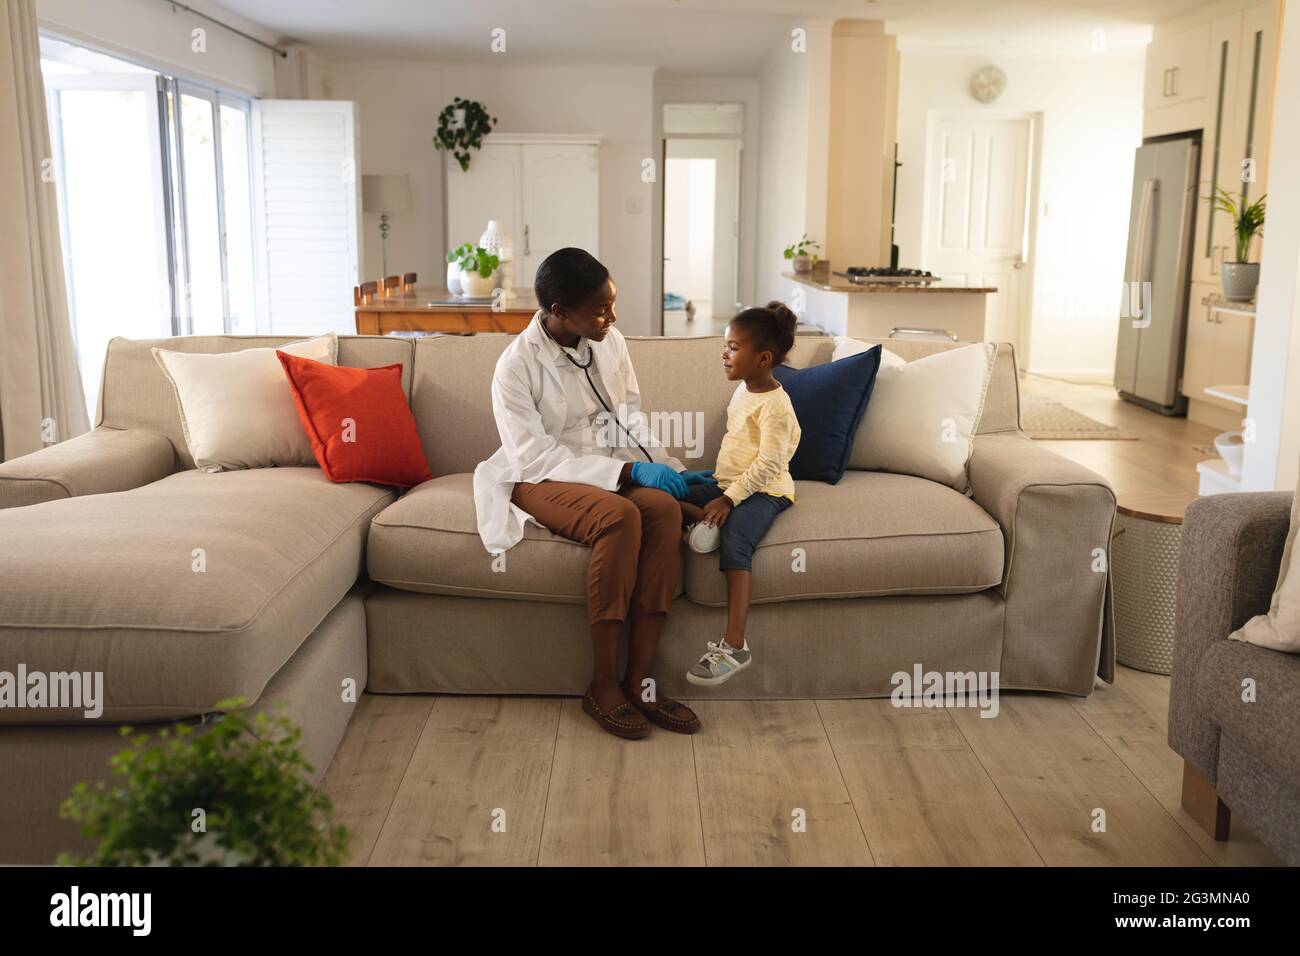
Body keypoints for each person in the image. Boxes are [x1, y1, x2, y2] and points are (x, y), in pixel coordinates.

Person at [473, 248, 714, 738]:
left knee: (666, 510)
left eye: (612, 304)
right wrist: (627, 474)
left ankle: (641, 682)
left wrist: (665, 468)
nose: (613, 317)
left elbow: (631, 416)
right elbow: (536, 457)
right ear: (559, 311)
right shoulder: (515, 367)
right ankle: (602, 685)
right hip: (539, 477)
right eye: (601, 309)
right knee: (620, 517)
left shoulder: (610, 341)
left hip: (610, 468)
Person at [678, 302, 802, 686]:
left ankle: (734, 646)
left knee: (736, 542)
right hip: (727, 484)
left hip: (765, 490)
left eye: (733, 347)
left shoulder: (776, 408)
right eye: (725, 345)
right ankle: (701, 519)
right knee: (665, 494)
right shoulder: (744, 391)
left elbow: (768, 465)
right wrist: (721, 491)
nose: (724, 353)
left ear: (763, 358)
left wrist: (729, 500)